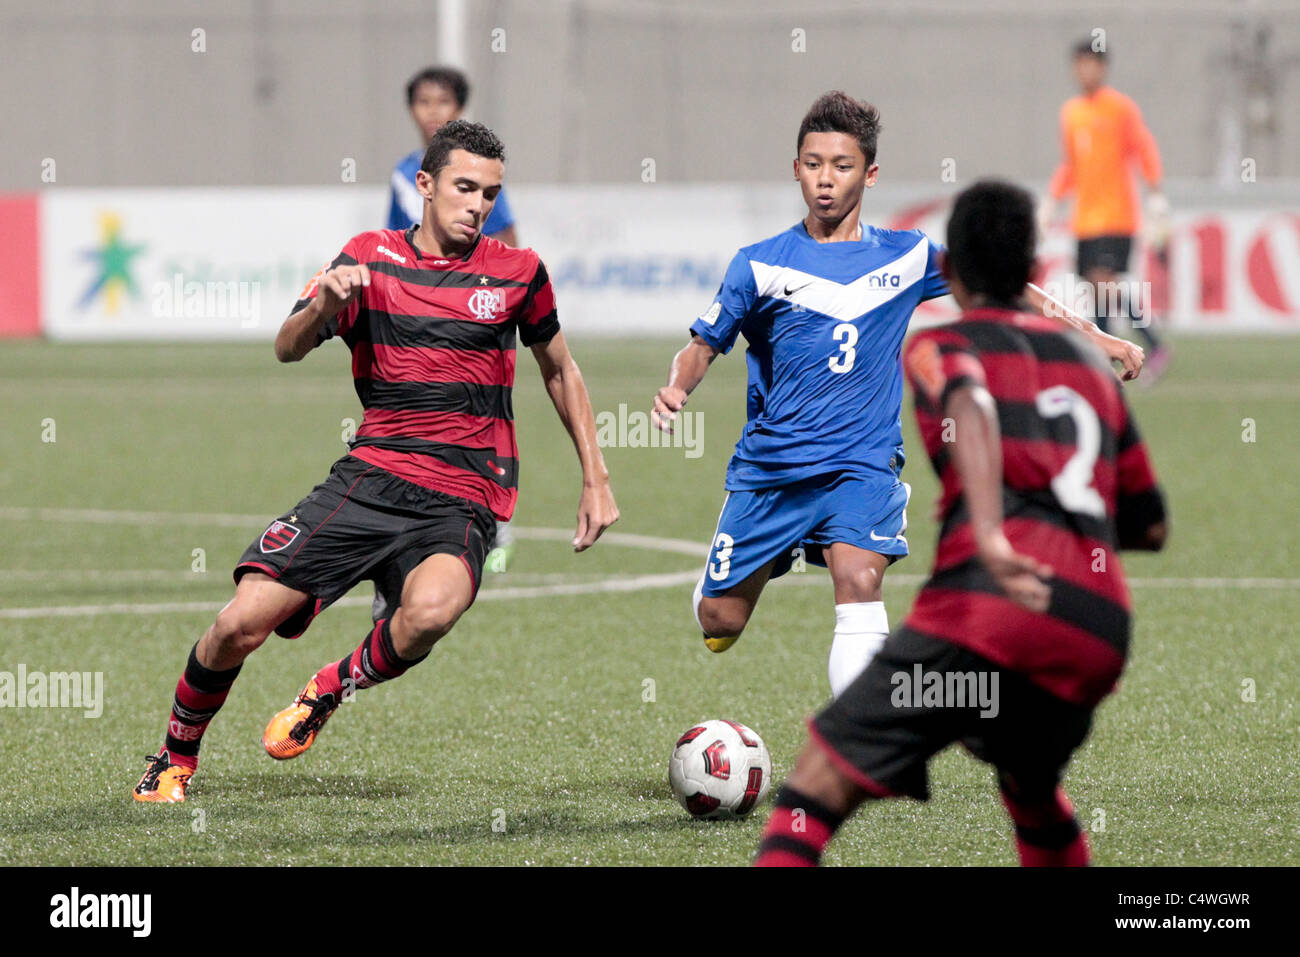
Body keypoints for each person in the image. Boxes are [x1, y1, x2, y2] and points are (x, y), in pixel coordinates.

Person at [134, 121, 617, 803]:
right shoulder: (368, 258)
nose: (478, 204)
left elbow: (561, 370)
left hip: (464, 495)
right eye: (463, 187)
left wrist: (594, 476)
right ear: (424, 186)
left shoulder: (519, 272)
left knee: (430, 611)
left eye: (490, 192)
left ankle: (331, 686)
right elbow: (287, 345)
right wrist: (325, 305)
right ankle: (175, 757)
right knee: (240, 623)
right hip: (370, 480)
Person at [652, 92, 1144, 699]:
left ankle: (855, 749)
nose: (825, 180)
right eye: (812, 164)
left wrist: (1098, 338)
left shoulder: (907, 257)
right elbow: (701, 344)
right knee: (719, 621)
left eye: (841, 165)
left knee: (859, 581)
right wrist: (677, 387)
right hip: (773, 468)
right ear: (796, 167)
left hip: (862, 464)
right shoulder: (759, 266)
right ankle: (737, 574)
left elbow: (1007, 289)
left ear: (870, 174)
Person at [753, 179, 1167, 866]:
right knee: (1031, 787)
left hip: (988, 608)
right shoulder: (1091, 375)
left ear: (952, 273)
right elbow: (1150, 527)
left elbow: (971, 403)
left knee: (812, 790)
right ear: (1035, 269)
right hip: (1095, 630)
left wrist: (998, 534)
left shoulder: (939, 350)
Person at [1041, 39, 1173, 382]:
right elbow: (1070, 164)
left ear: (1103, 67)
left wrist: (1155, 193)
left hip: (1117, 216)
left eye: (1090, 64)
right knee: (1096, 289)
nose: (1084, 71)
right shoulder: (1071, 113)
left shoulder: (1120, 109)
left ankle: (1152, 343)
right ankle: (1108, 357)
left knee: (1104, 281)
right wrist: (1051, 201)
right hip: (1083, 219)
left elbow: (1144, 149)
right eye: (1079, 64)